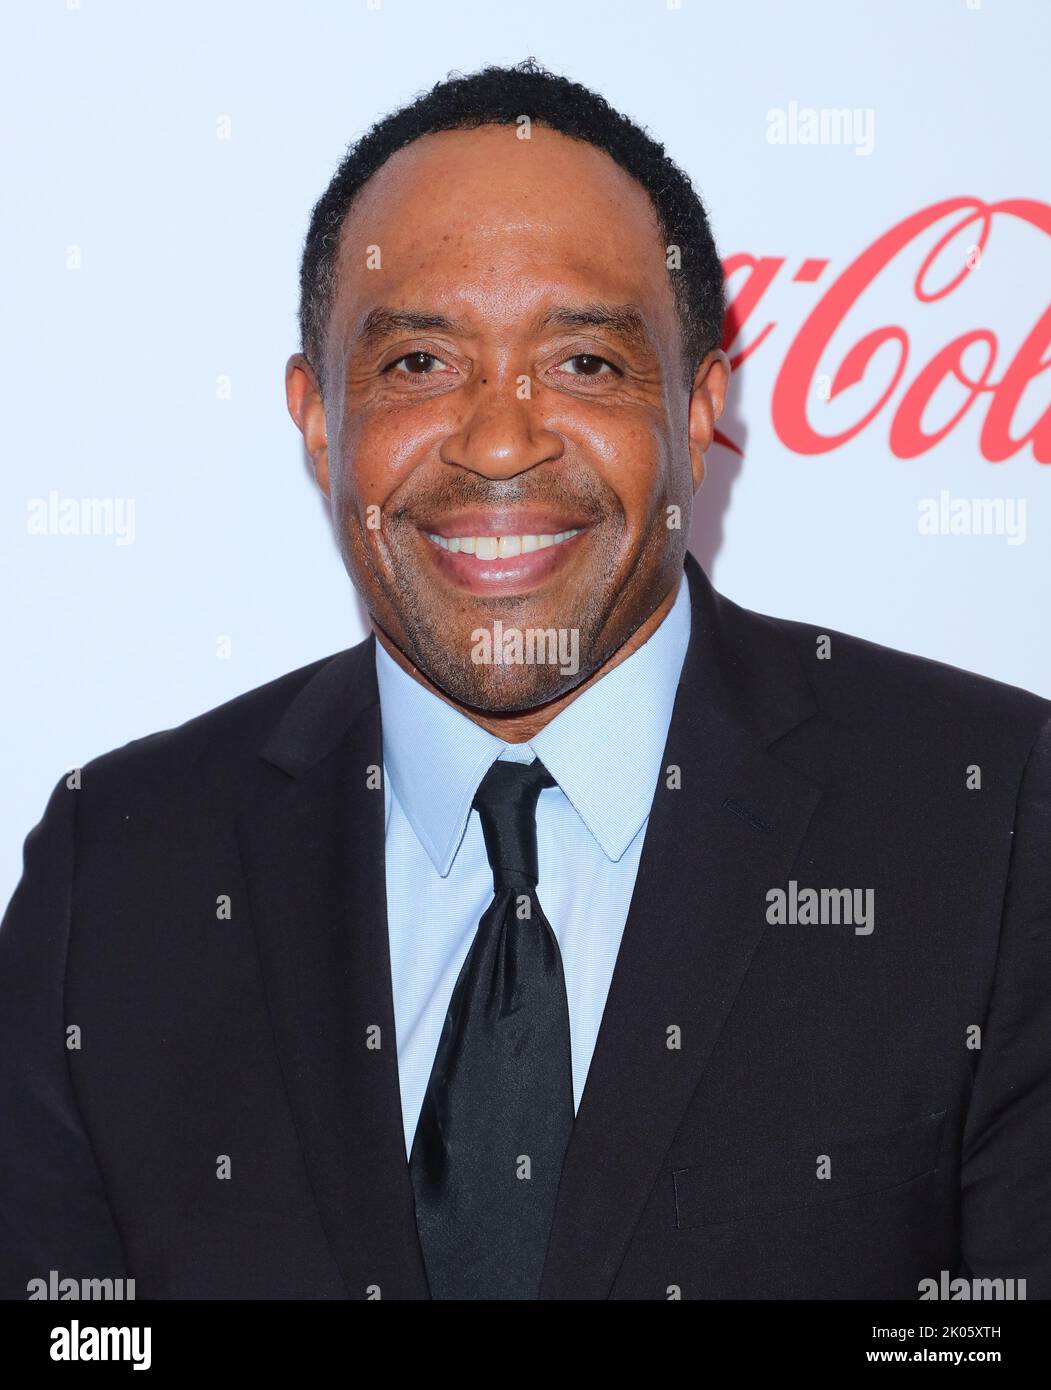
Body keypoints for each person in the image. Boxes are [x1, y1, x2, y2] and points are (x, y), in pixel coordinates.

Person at [2, 59, 1048, 1302]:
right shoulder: (119, 869)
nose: (501, 439)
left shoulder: (992, 825)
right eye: (417, 365)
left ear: (701, 407)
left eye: (587, 365)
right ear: (319, 420)